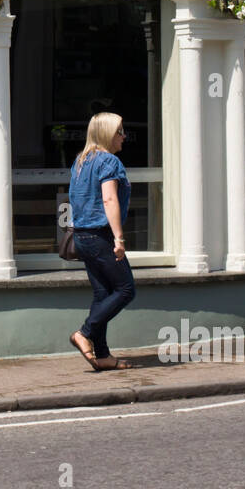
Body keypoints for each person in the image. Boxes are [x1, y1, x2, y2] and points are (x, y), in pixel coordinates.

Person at [67, 112, 135, 371]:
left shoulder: (81, 161)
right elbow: (109, 199)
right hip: (100, 235)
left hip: (82, 236)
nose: (123, 136)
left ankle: (103, 355)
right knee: (126, 290)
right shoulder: (109, 161)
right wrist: (118, 238)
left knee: (103, 294)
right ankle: (84, 333)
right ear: (107, 133)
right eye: (119, 131)